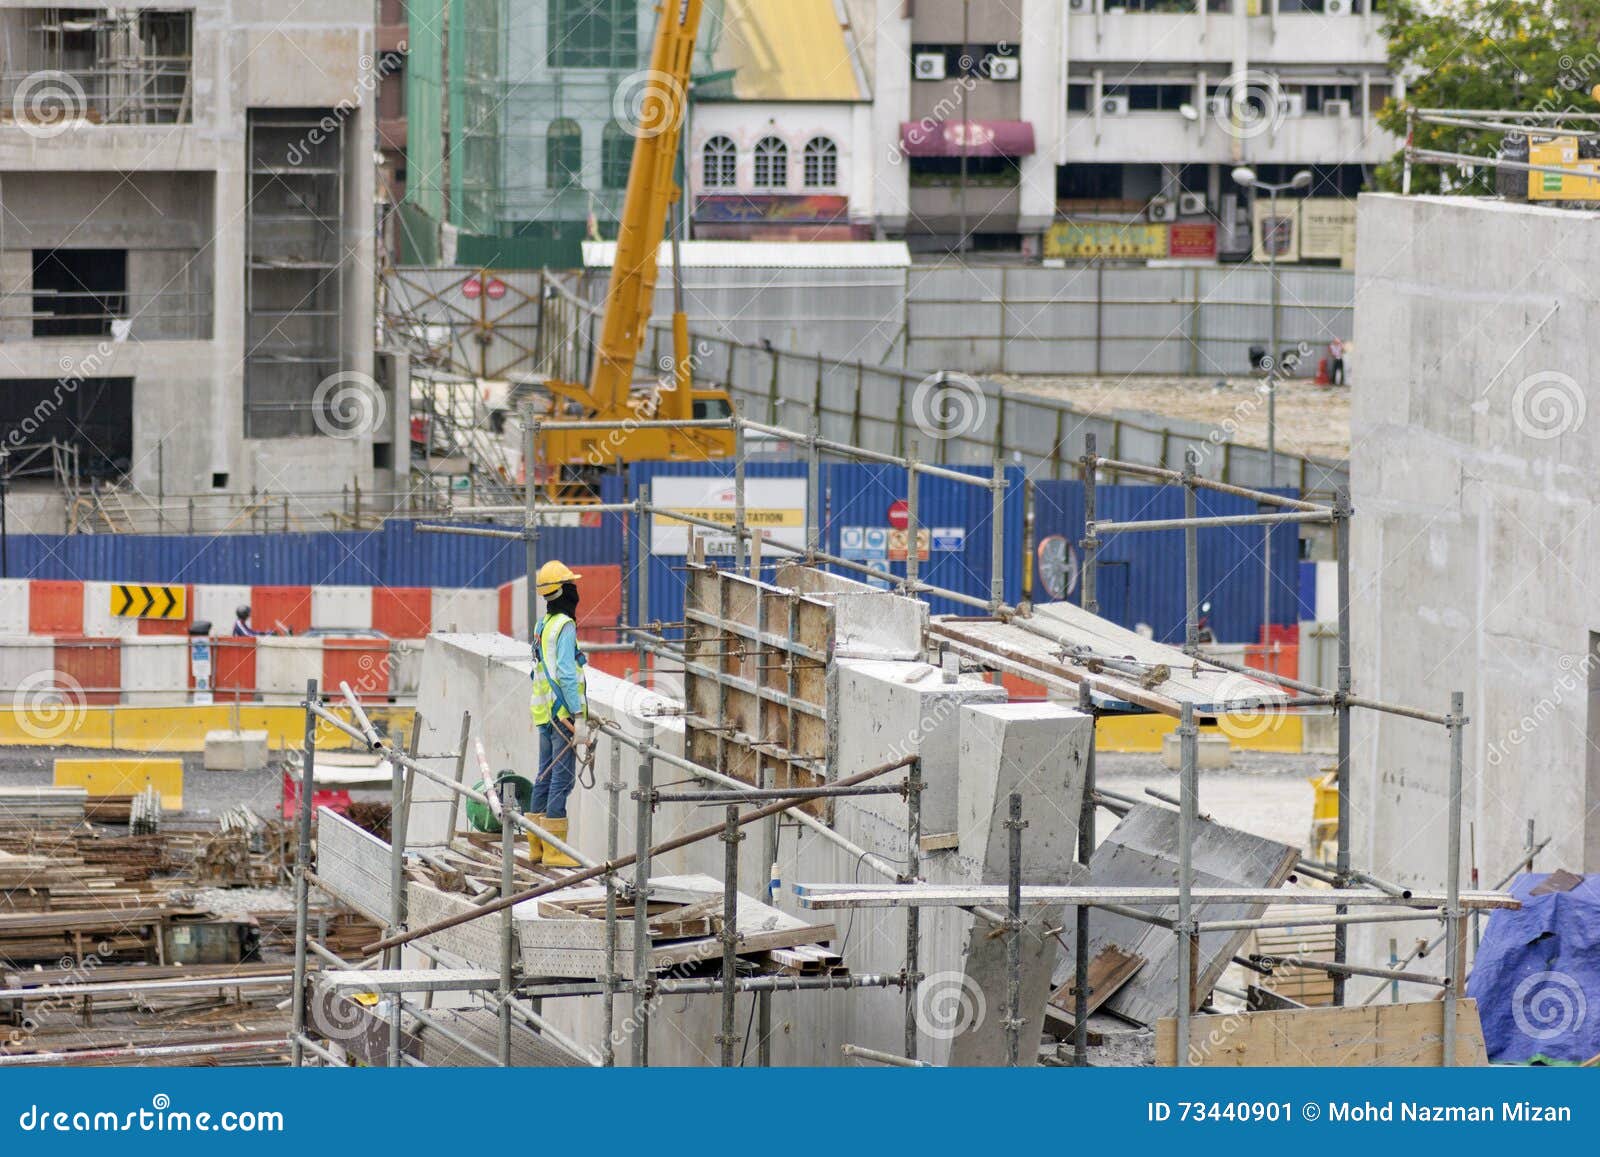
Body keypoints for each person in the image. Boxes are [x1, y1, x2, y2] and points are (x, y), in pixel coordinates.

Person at [527, 560, 590, 868]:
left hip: (543, 712)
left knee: (544, 774)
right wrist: (578, 714)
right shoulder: (564, 625)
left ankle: (536, 846)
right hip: (562, 714)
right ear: (564, 591)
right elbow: (565, 672)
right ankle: (554, 850)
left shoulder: (542, 625)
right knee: (561, 780)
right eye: (571, 585)